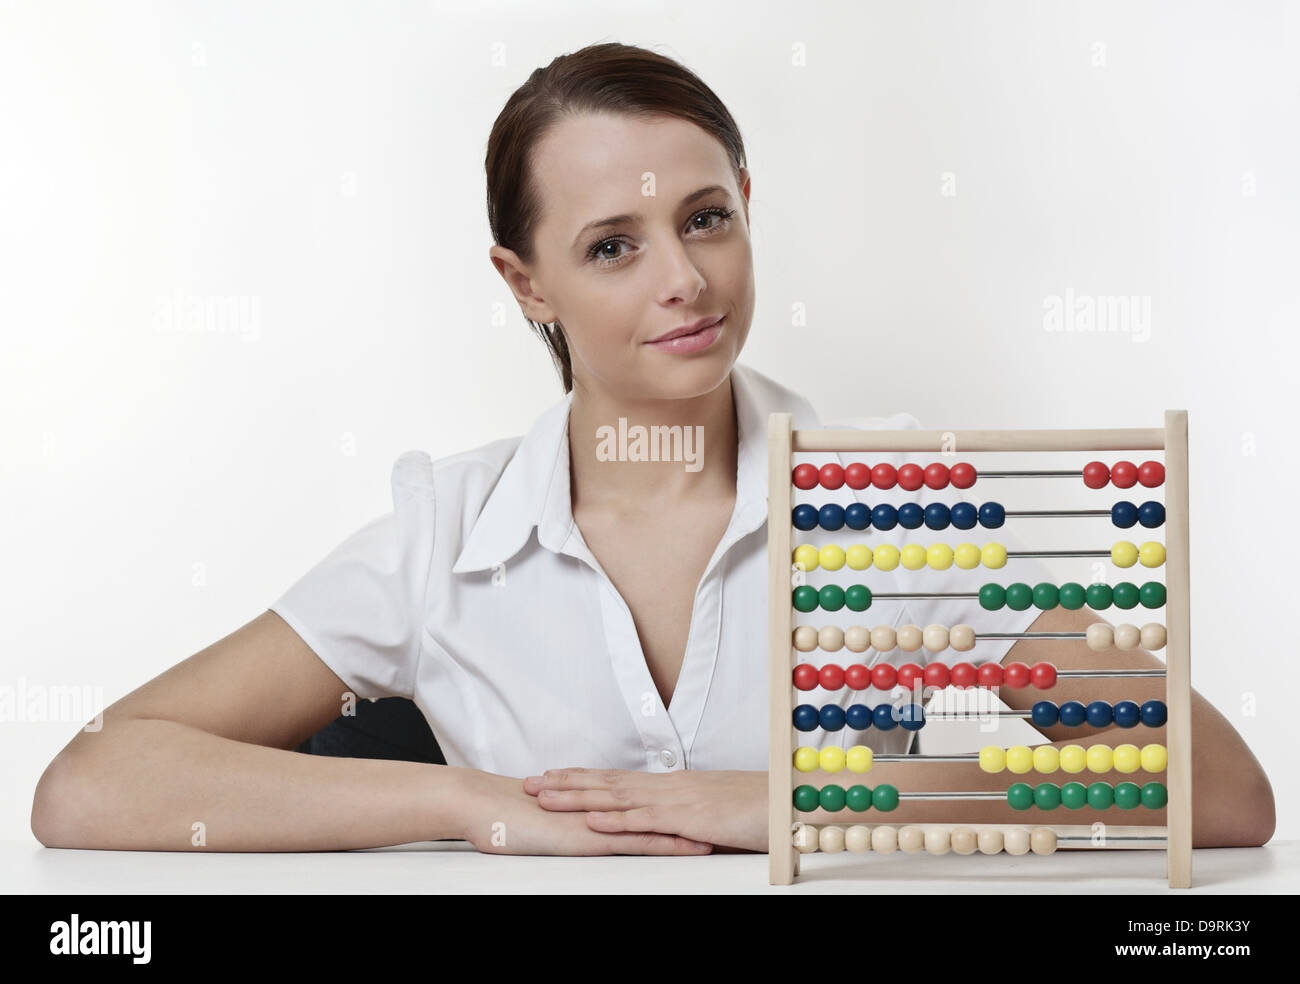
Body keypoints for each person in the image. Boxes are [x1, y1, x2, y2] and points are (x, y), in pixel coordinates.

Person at [31, 42, 1274, 857]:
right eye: (613, 245)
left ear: (746, 203)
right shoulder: (444, 537)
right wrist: (478, 806)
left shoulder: (906, 501)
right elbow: (88, 784)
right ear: (525, 284)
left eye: (705, 219)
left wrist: (804, 805)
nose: (685, 280)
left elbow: (1222, 795)